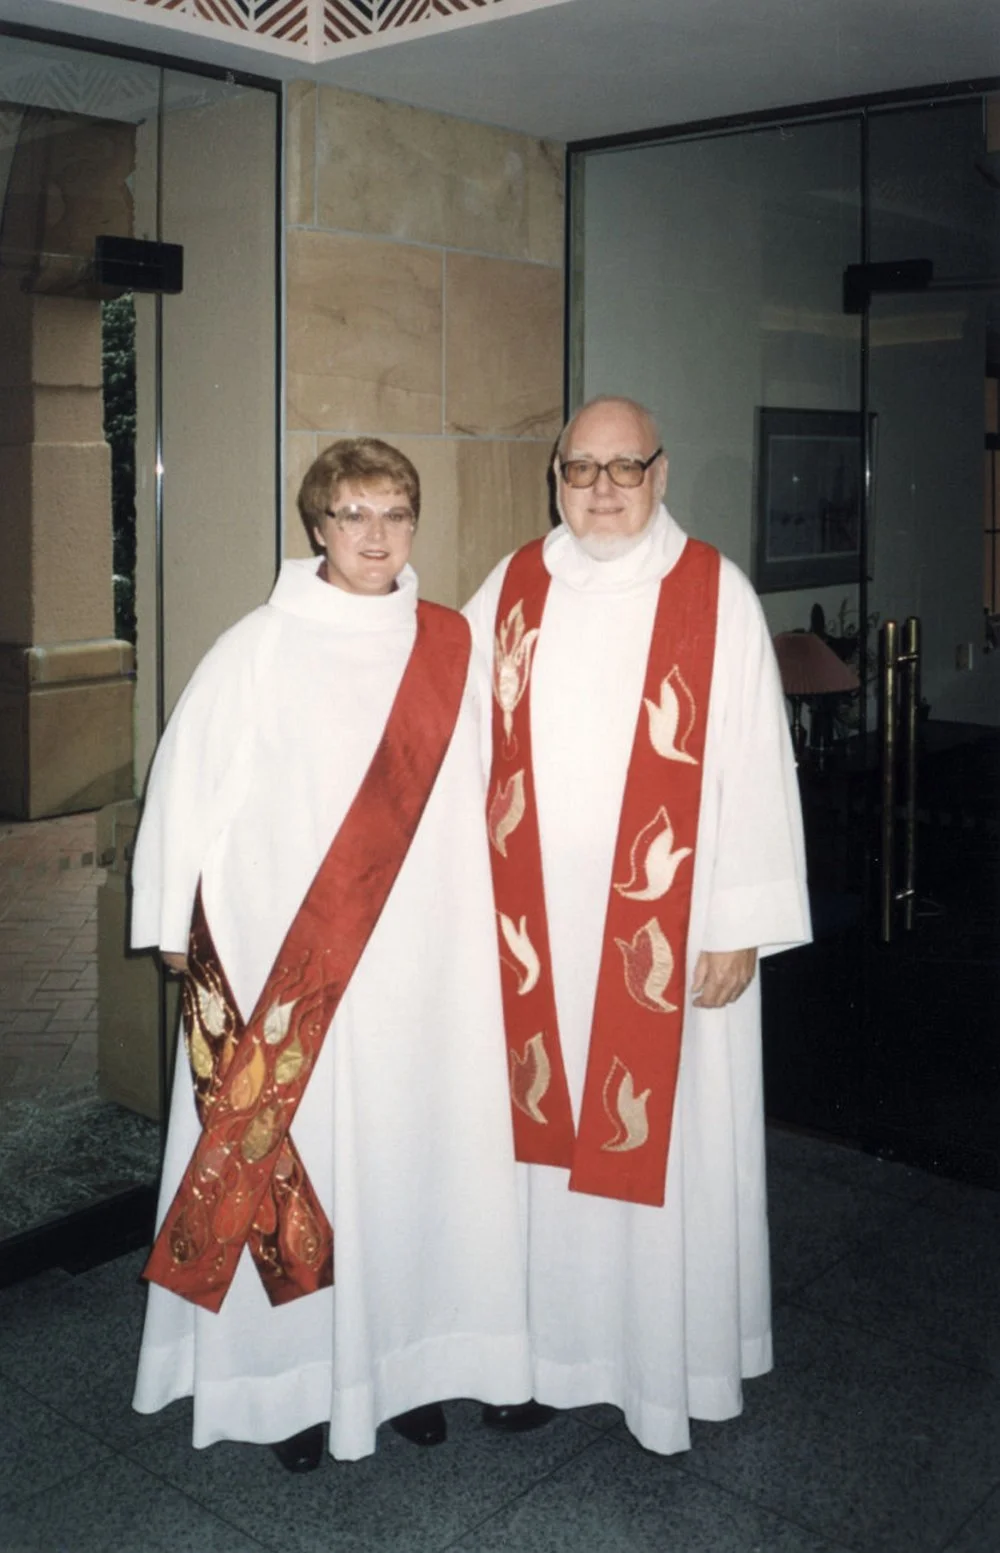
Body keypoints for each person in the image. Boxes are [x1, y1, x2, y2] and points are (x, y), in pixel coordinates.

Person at [131, 438, 533, 1470]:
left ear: (414, 525)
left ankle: (401, 1367)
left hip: (423, 961)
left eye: (394, 512)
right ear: (316, 524)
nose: (374, 534)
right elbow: (185, 783)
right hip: (287, 954)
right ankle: (293, 1385)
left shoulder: (448, 643)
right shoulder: (257, 646)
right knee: (291, 1159)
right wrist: (174, 924)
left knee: (406, 1161)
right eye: (352, 513)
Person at [464, 395, 811, 1456]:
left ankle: (664, 1365)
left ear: (660, 475)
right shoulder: (514, 585)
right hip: (533, 942)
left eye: (625, 467)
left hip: (669, 937)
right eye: (582, 469)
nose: (603, 488)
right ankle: (530, 1355)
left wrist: (740, 925)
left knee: (665, 1154)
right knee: (533, 1149)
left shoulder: (713, 591)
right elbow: (443, 736)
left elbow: (757, 765)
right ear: (554, 478)